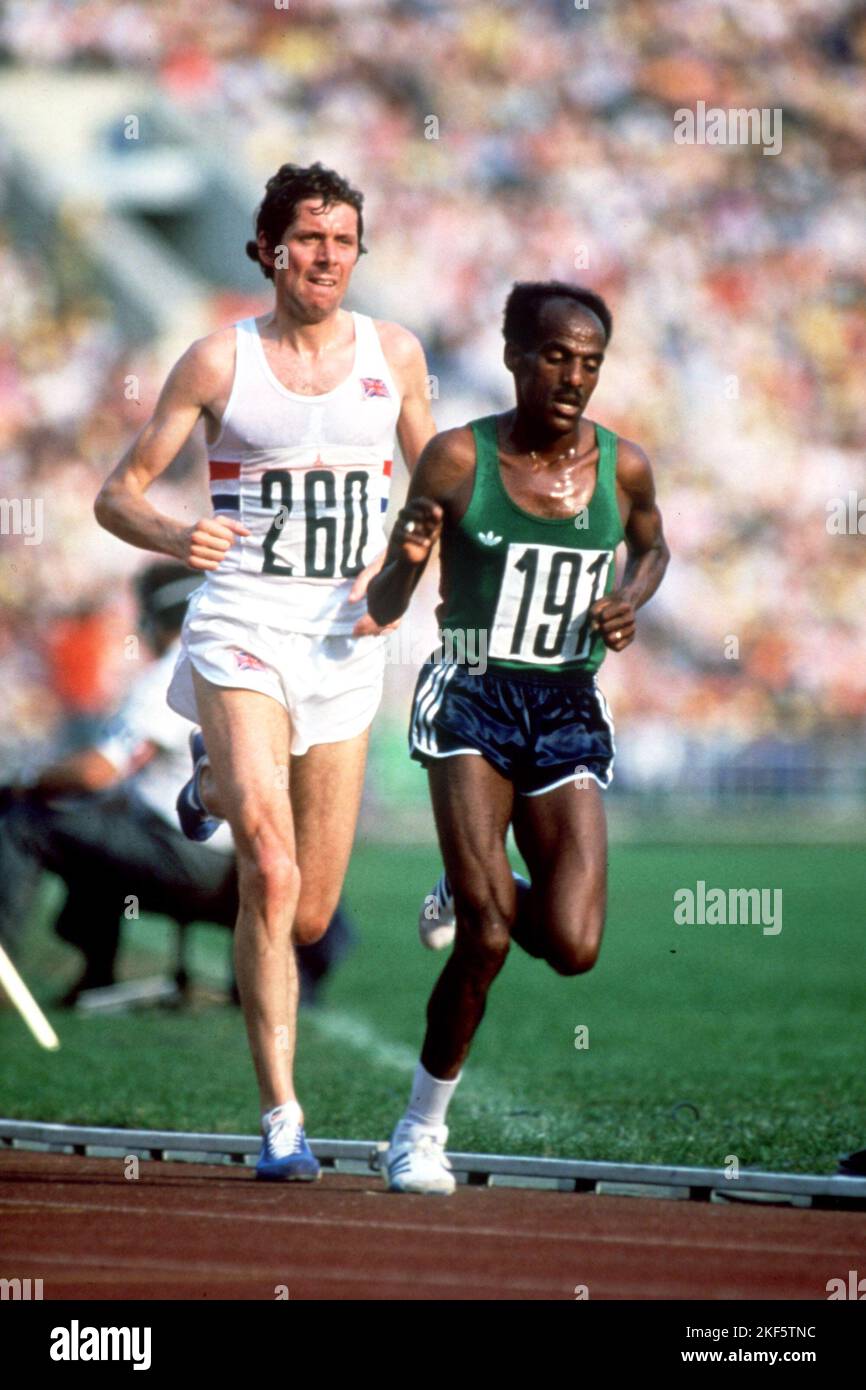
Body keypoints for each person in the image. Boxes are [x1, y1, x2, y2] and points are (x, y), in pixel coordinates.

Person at [94, 163, 436, 1180]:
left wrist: (400, 564)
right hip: (240, 622)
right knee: (269, 867)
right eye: (308, 238)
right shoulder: (217, 362)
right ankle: (281, 1119)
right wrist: (172, 532)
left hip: (342, 643)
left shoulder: (394, 354)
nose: (326, 256)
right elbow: (119, 495)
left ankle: (202, 779)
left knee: (312, 912)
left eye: (343, 240)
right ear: (266, 251)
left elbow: (439, 486)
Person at [367, 280, 670, 1194]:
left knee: (574, 946)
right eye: (555, 356)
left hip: (568, 704)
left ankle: (473, 882)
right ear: (514, 356)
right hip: (470, 691)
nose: (573, 377)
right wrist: (412, 554)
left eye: (589, 362)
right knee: (490, 936)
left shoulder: (623, 468)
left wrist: (630, 602)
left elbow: (654, 547)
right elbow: (383, 604)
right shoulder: (459, 460)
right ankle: (419, 1130)